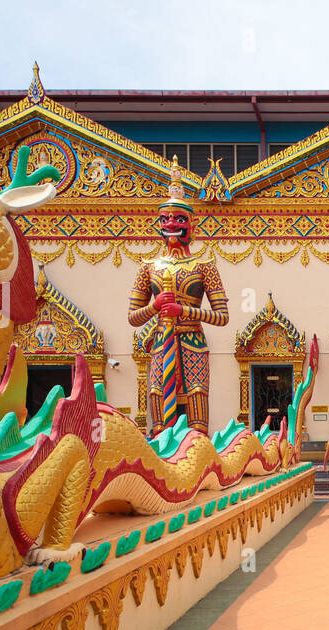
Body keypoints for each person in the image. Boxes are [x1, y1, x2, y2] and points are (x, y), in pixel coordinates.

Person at [127, 157, 229, 436]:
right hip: (161, 341)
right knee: (158, 399)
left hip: (193, 340)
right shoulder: (148, 266)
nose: (172, 223)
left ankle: (196, 452)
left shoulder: (204, 265)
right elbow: (132, 317)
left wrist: (184, 311)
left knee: (196, 400)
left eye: (179, 218)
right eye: (166, 218)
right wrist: (155, 306)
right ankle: (162, 450)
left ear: (192, 225)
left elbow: (222, 317)